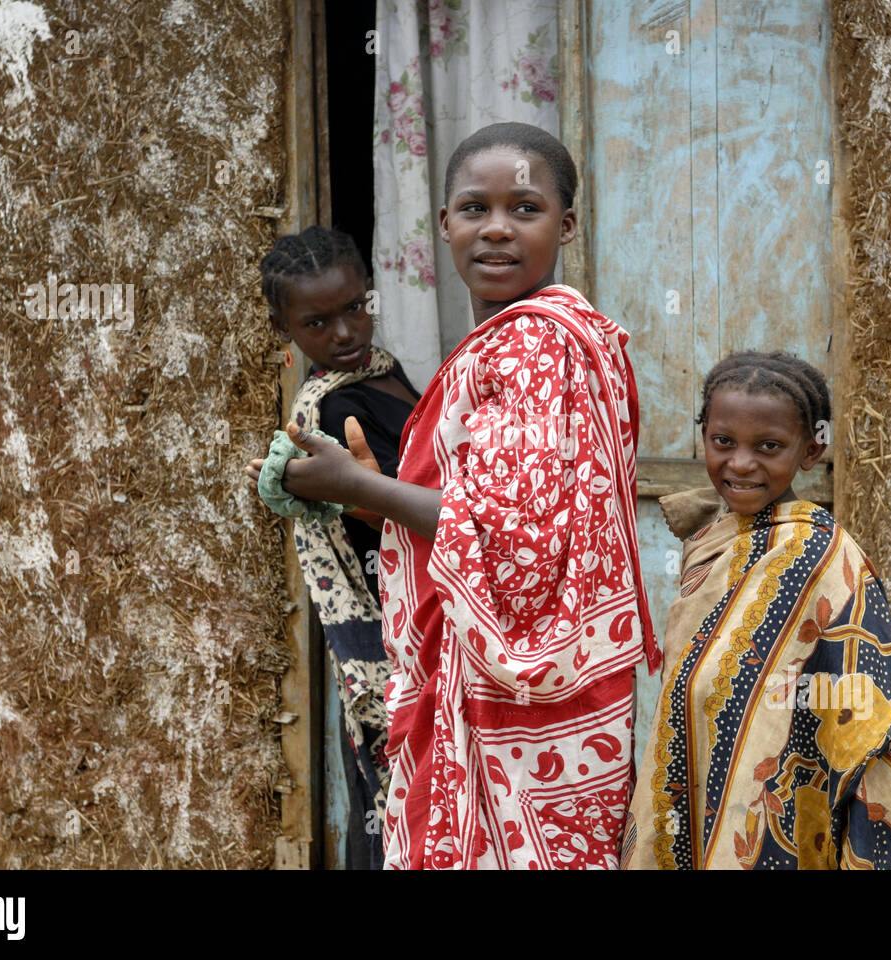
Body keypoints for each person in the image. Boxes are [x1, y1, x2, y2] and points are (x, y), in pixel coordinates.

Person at [274, 122, 660, 869]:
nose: (497, 230)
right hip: (572, 696)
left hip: (521, 701)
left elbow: (510, 540)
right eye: (474, 208)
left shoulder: (533, 347)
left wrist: (361, 486)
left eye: (525, 208)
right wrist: (372, 498)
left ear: (567, 224)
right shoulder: (554, 336)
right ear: (444, 223)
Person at [622, 351, 891, 869]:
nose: (741, 463)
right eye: (724, 442)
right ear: (704, 438)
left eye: (768, 446)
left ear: (810, 451)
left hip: (783, 792)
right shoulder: (715, 541)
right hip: (693, 767)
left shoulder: (819, 555)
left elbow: (860, 689)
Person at [245, 225, 420, 869]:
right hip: (394, 637)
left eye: (355, 308)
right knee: (400, 813)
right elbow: (385, 516)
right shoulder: (331, 411)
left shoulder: (384, 373)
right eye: (318, 322)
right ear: (282, 327)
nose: (345, 333)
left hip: (423, 616)